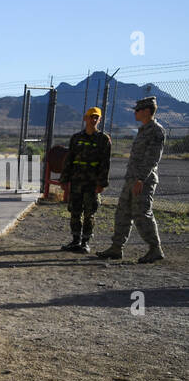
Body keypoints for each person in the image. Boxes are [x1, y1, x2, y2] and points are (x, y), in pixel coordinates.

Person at [95, 96, 165, 263]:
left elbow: (152, 158)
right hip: (132, 179)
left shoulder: (156, 131)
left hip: (143, 180)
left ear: (147, 111)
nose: (135, 112)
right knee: (123, 213)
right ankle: (116, 248)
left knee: (142, 214)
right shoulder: (143, 129)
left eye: (138, 110)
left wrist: (141, 179)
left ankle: (155, 249)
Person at [59, 107, 111, 253]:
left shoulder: (103, 139)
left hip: (92, 184)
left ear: (99, 120)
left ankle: (85, 242)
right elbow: (69, 160)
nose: (93, 120)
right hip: (76, 182)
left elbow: (105, 163)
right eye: (91, 117)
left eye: (96, 117)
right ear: (85, 118)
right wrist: (64, 180)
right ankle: (75, 241)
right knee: (75, 211)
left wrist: (102, 183)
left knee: (90, 213)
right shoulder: (76, 138)